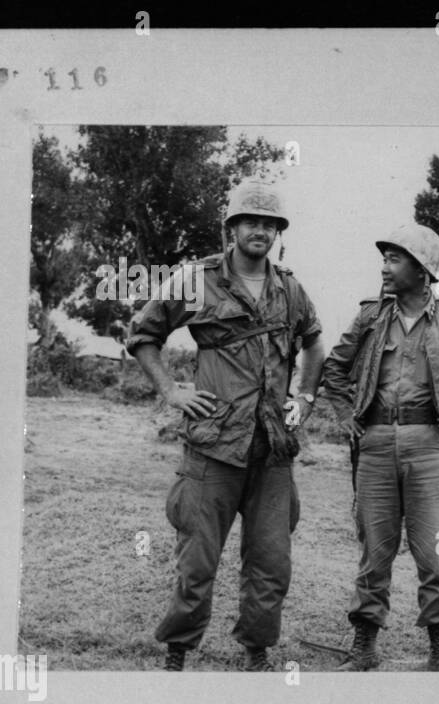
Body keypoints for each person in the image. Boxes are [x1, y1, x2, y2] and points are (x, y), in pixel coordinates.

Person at [126, 178, 325, 672]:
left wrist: (305, 394)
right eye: (250, 222)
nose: (260, 231)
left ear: (278, 232)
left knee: (271, 563)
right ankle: (178, 652)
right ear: (232, 228)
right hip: (214, 444)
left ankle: (255, 651)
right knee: (196, 563)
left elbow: (314, 344)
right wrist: (171, 390)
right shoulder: (196, 279)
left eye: (269, 224)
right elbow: (144, 334)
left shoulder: (291, 288)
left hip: (273, 450)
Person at [321, 224, 439, 671]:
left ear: (422, 270)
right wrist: (348, 417)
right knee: (374, 554)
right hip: (374, 445)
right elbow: (334, 369)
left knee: (435, 555)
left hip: (430, 446)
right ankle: (364, 649)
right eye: (384, 258)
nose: (385, 267)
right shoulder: (370, 316)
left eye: (394, 259)